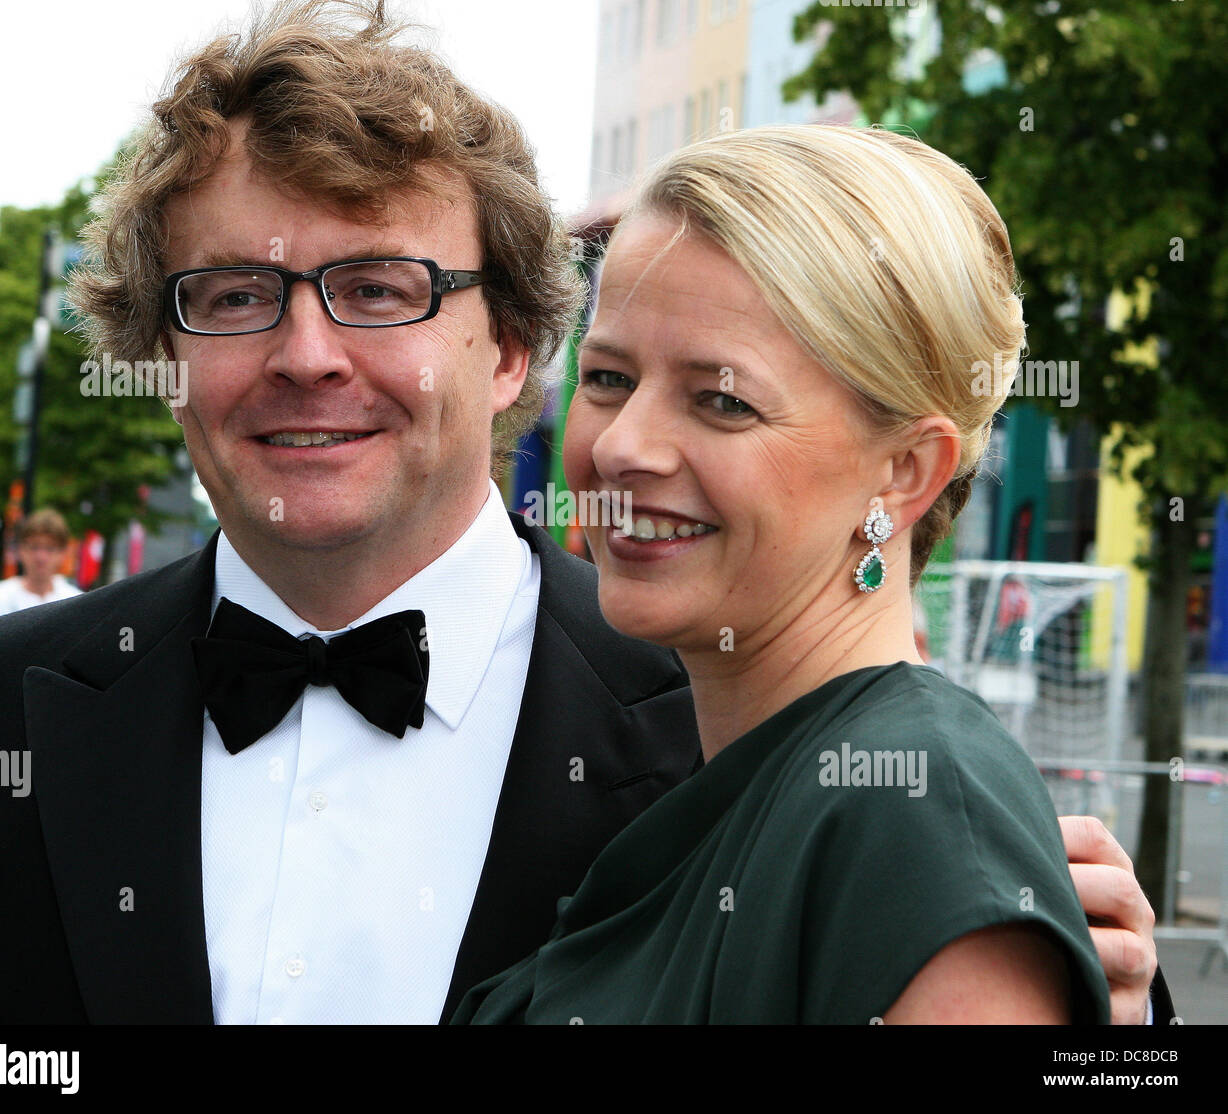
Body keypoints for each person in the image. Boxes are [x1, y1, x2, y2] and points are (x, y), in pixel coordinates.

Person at [0, 1, 1162, 1024]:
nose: (305, 354)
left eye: (377, 288)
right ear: (159, 349)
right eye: (236, 295)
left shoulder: (755, 724)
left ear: (513, 344)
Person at [455, 124, 1149, 1023]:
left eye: (723, 400)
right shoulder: (758, 783)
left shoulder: (908, 811)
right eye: (609, 378)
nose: (622, 446)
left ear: (905, 472)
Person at [0, 508, 81, 623]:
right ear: (21, 549)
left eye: (50, 549)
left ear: (62, 553)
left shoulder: (76, 603)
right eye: (34, 547)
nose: (41, 557)